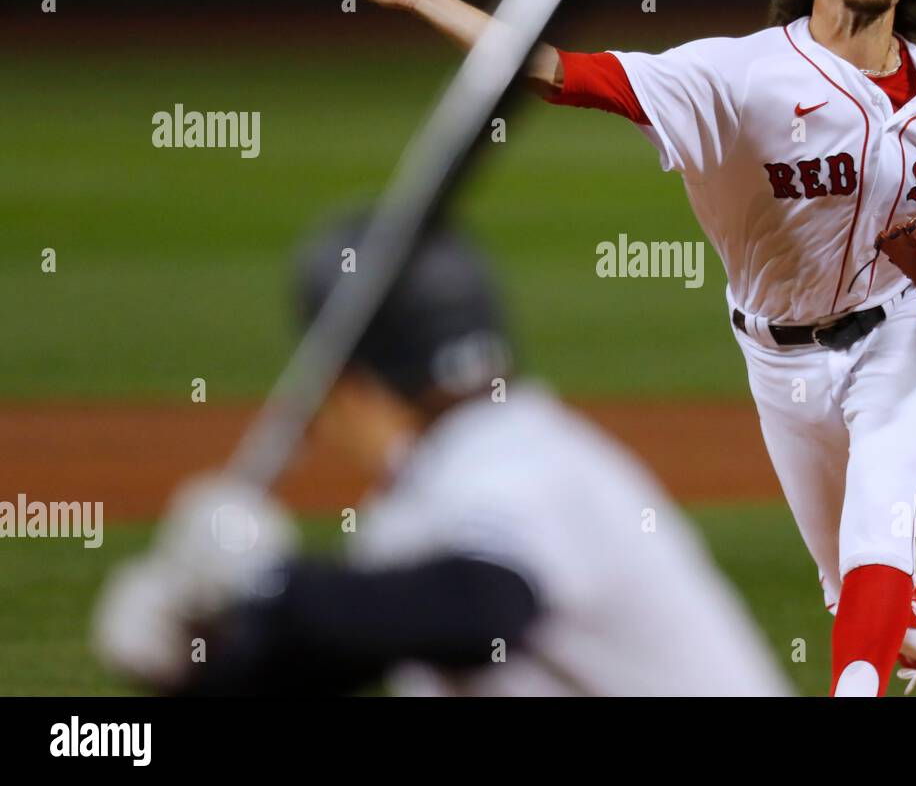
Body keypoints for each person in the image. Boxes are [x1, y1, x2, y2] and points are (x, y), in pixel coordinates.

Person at [340, 0, 916, 697]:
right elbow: (564, 74)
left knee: (880, 526)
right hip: (777, 353)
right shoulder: (736, 75)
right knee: (848, 588)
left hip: (902, 333)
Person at [93, 213, 792, 696]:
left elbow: (484, 606)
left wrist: (268, 583)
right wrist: (196, 655)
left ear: (346, 384)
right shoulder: (431, 498)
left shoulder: (518, 456)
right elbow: (318, 660)